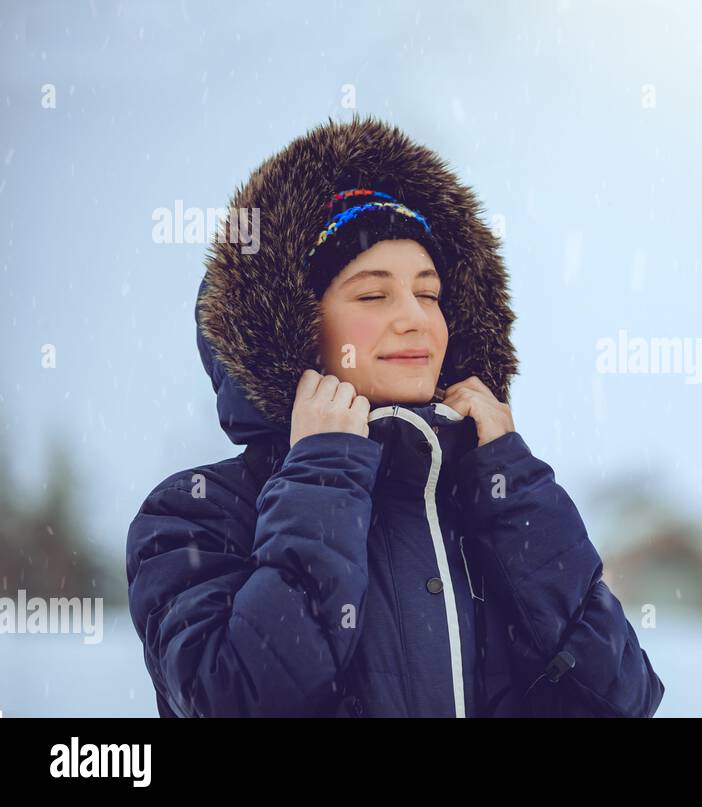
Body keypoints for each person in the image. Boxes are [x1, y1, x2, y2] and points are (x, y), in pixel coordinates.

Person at [125, 116, 665, 717]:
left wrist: (516, 491)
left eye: (429, 293)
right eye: (373, 294)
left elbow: (620, 702)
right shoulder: (196, 514)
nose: (415, 318)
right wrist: (322, 477)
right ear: (298, 329)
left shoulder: (491, 500)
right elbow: (240, 701)